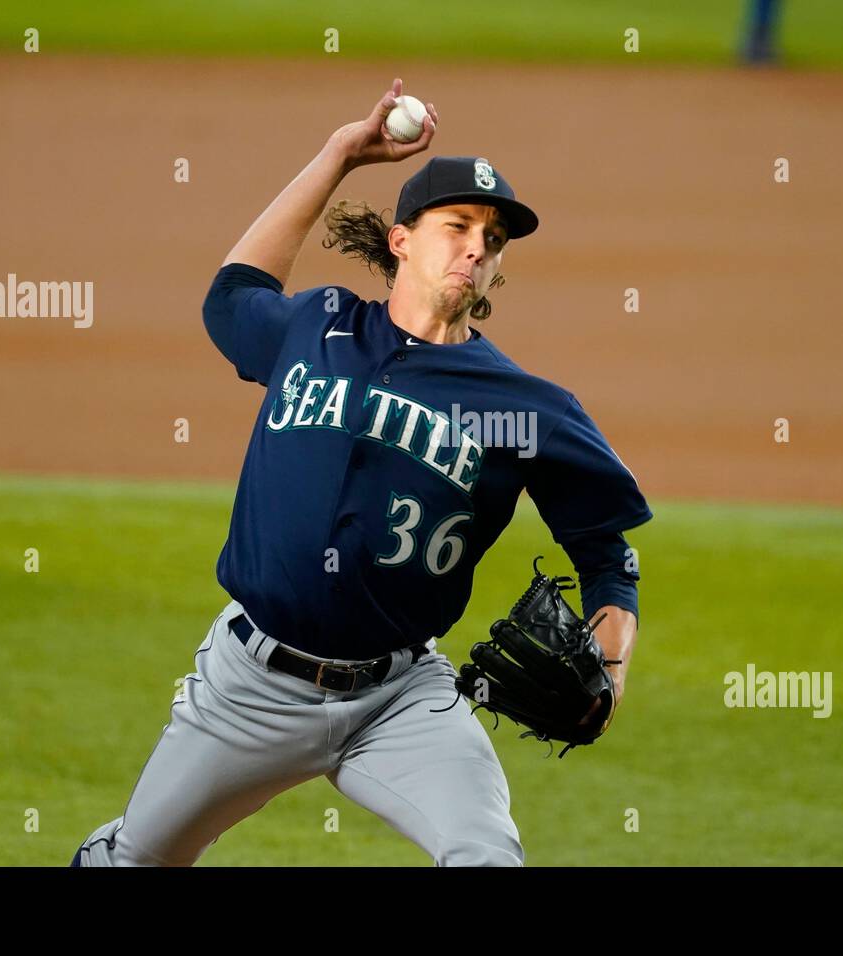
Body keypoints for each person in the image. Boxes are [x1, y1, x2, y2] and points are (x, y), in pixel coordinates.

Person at [70, 78, 651, 867]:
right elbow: (232, 296)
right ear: (402, 238)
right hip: (252, 685)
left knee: (487, 855)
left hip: (402, 697)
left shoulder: (527, 407)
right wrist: (339, 154)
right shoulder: (317, 326)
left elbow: (607, 552)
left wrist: (610, 669)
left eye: (494, 237)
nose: (477, 247)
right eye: (458, 226)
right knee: (135, 861)